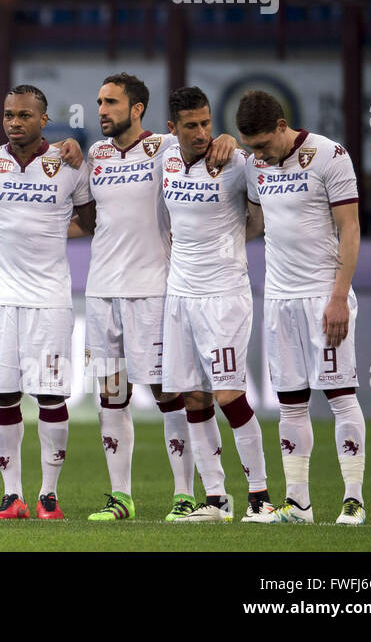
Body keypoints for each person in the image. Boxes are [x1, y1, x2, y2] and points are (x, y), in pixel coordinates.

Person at [71, 73, 238, 522]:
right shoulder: (97, 153)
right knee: (111, 394)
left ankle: (185, 494)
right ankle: (120, 496)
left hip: (154, 290)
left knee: (171, 394)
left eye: (111, 103)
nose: (102, 110)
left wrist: (224, 138)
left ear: (137, 108)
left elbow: (202, 140)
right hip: (102, 291)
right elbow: (88, 216)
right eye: (100, 101)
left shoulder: (166, 147)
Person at [0, 86, 92, 520]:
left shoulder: (69, 165)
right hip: (2, 301)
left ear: (43, 118)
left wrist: (54, 232)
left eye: (24, 115)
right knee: (5, 397)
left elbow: (92, 223)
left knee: (50, 397)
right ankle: (12, 496)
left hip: (51, 300)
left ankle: (48, 495)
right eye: (9, 114)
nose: (15, 122)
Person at [237, 90, 366, 525]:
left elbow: (349, 230)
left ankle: (353, 499)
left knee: (341, 395)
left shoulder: (330, 155)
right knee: (290, 402)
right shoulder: (256, 164)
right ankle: (298, 505)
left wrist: (338, 297)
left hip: (323, 297)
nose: (257, 155)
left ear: (281, 126)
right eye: (249, 146)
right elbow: (256, 222)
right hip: (279, 299)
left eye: (262, 145)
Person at [160, 87, 277, 522]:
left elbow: (262, 216)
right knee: (193, 396)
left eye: (207, 123)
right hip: (180, 295)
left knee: (228, 394)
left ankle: (260, 497)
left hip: (224, 295)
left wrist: (233, 139)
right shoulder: (164, 157)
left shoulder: (235, 162)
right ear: (173, 129)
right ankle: (215, 499)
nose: (202, 133)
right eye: (191, 125)